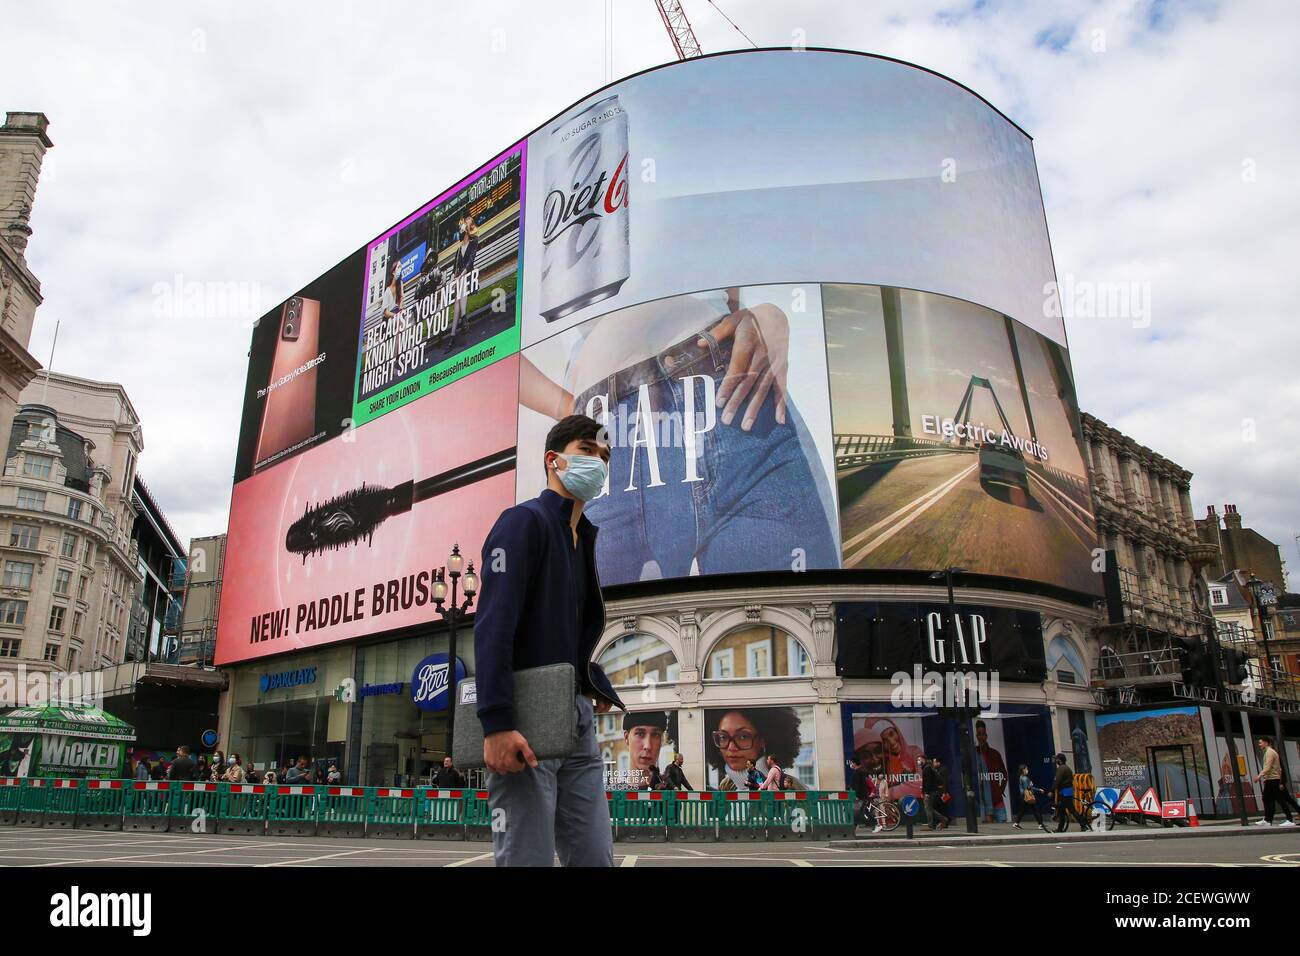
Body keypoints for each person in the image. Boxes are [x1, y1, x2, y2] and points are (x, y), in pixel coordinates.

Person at [474, 414, 625, 867]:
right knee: (527, 858)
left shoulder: (584, 540)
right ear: (554, 460)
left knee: (595, 857)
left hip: (575, 720)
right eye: (586, 451)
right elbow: (494, 624)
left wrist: (588, 684)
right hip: (525, 717)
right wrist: (496, 722)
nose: (598, 462)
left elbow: (563, 634)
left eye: (604, 456)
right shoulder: (523, 522)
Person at [704, 707, 802, 791]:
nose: (731, 747)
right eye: (723, 737)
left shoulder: (792, 786)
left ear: (763, 740)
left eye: (743, 737)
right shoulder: (726, 785)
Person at [1253, 735, 1299, 827]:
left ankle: (1289, 819)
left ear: (1266, 743)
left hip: (1272, 779)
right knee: (1267, 799)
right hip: (1271, 779)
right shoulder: (1268, 752)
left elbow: (1268, 767)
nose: (1259, 744)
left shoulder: (1270, 752)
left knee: (1280, 799)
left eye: (1260, 742)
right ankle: (1267, 820)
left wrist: (1259, 776)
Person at [1053, 753, 1090, 832]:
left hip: (1064, 792)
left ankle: (1084, 825)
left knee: (1071, 810)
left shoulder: (1061, 768)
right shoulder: (1067, 768)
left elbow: (1058, 781)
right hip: (1068, 791)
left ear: (1059, 760)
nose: (1056, 761)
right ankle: (1060, 829)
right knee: (1062, 810)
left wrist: (1052, 790)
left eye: (1057, 759)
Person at [1011, 763, 1050, 832]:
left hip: (1024, 796)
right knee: (1036, 810)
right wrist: (1038, 789)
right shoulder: (1025, 778)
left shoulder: (1021, 777)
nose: (1027, 770)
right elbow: (1028, 788)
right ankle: (1040, 824)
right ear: (1023, 770)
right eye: (1026, 769)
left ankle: (1016, 823)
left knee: (1023, 811)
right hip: (1027, 796)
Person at [923, 755, 951, 831]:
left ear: (939, 762)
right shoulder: (933, 769)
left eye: (935, 762)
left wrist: (945, 792)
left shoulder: (942, 770)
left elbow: (944, 781)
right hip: (936, 792)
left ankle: (940, 821)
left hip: (939, 792)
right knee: (933, 808)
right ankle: (941, 821)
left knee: (935, 808)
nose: (933, 763)